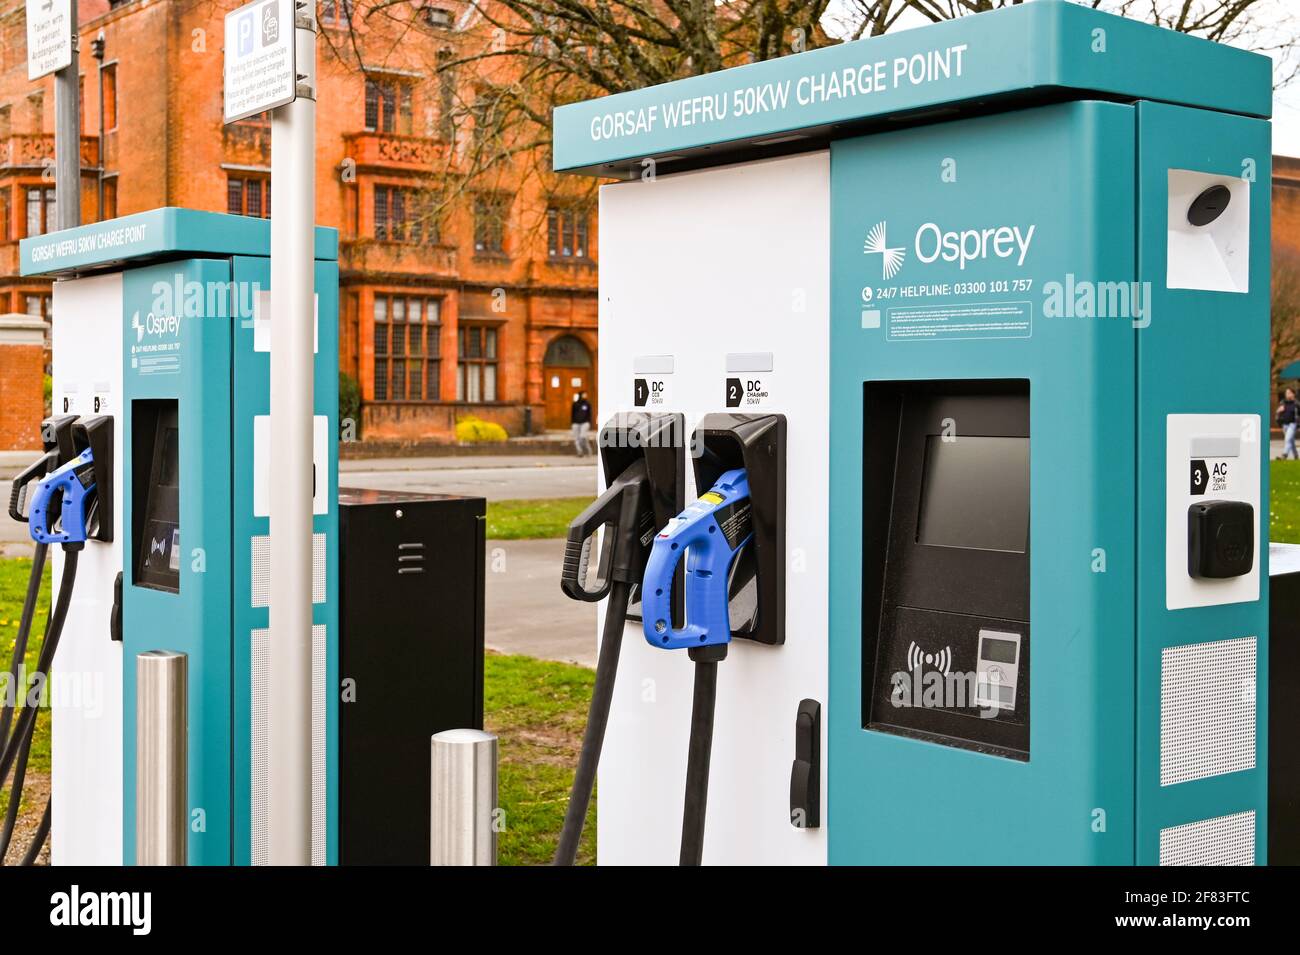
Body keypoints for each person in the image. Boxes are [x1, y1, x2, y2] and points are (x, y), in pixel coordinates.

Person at [571, 391, 593, 457]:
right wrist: (573, 422)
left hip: (585, 423)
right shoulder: (575, 404)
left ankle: (588, 450)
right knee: (576, 438)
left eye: (585, 395)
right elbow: (572, 414)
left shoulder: (587, 404)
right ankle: (580, 452)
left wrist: (589, 422)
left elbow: (589, 414)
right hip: (576, 423)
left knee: (583, 437)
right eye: (584, 395)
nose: (585, 396)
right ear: (580, 395)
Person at [1279, 388, 1298, 460]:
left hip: (1293, 424)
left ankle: (1284, 455)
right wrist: (1279, 411)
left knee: (1287, 439)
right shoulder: (1283, 402)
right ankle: (1296, 456)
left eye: (1289, 392)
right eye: (1286, 393)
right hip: (1285, 424)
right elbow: (1278, 413)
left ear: (1293, 394)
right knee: (1291, 441)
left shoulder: (1296, 403)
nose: (1287, 394)